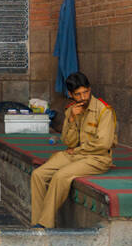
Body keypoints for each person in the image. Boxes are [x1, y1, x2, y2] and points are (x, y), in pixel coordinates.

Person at [30, 71, 117, 229]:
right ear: (70, 94)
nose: (83, 97)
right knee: (38, 175)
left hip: (97, 158)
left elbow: (103, 144)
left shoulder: (105, 111)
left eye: (86, 92)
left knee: (60, 176)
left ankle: (44, 225)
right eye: (78, 94)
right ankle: (36, 221)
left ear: (90, 90)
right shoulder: (72, 110)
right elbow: (68, 142)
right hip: (75, 154)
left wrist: (78, 150)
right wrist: (71, 119)